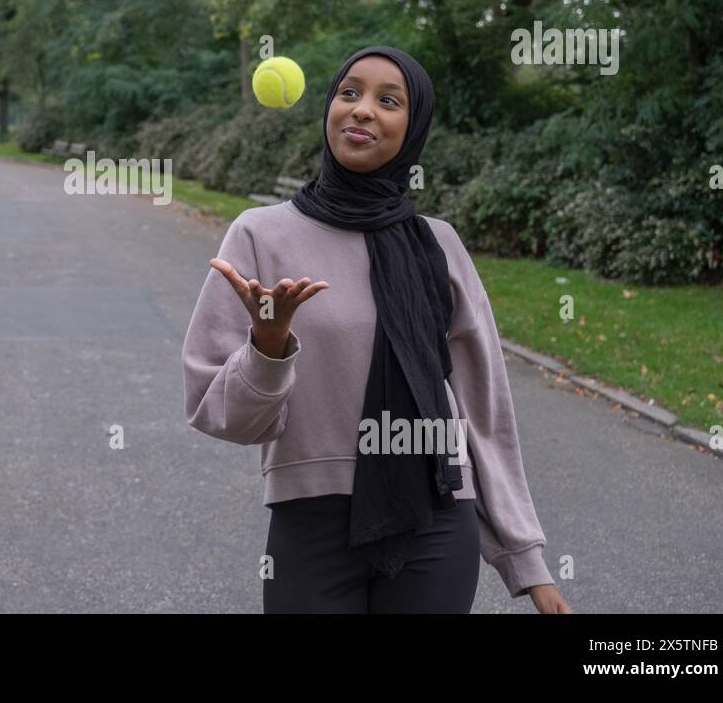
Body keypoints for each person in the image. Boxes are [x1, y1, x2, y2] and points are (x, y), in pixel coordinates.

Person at [182, 46, 571, 614]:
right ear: (329, 110)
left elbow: (484, 413)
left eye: (388, 101)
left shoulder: (439, 245)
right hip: (310, 520)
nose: (363, 110)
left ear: (412, 130)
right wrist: (268, 346)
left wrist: (527, 561)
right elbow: (221, 416)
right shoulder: (258, 236)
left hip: (437, 518)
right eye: (349, 93)